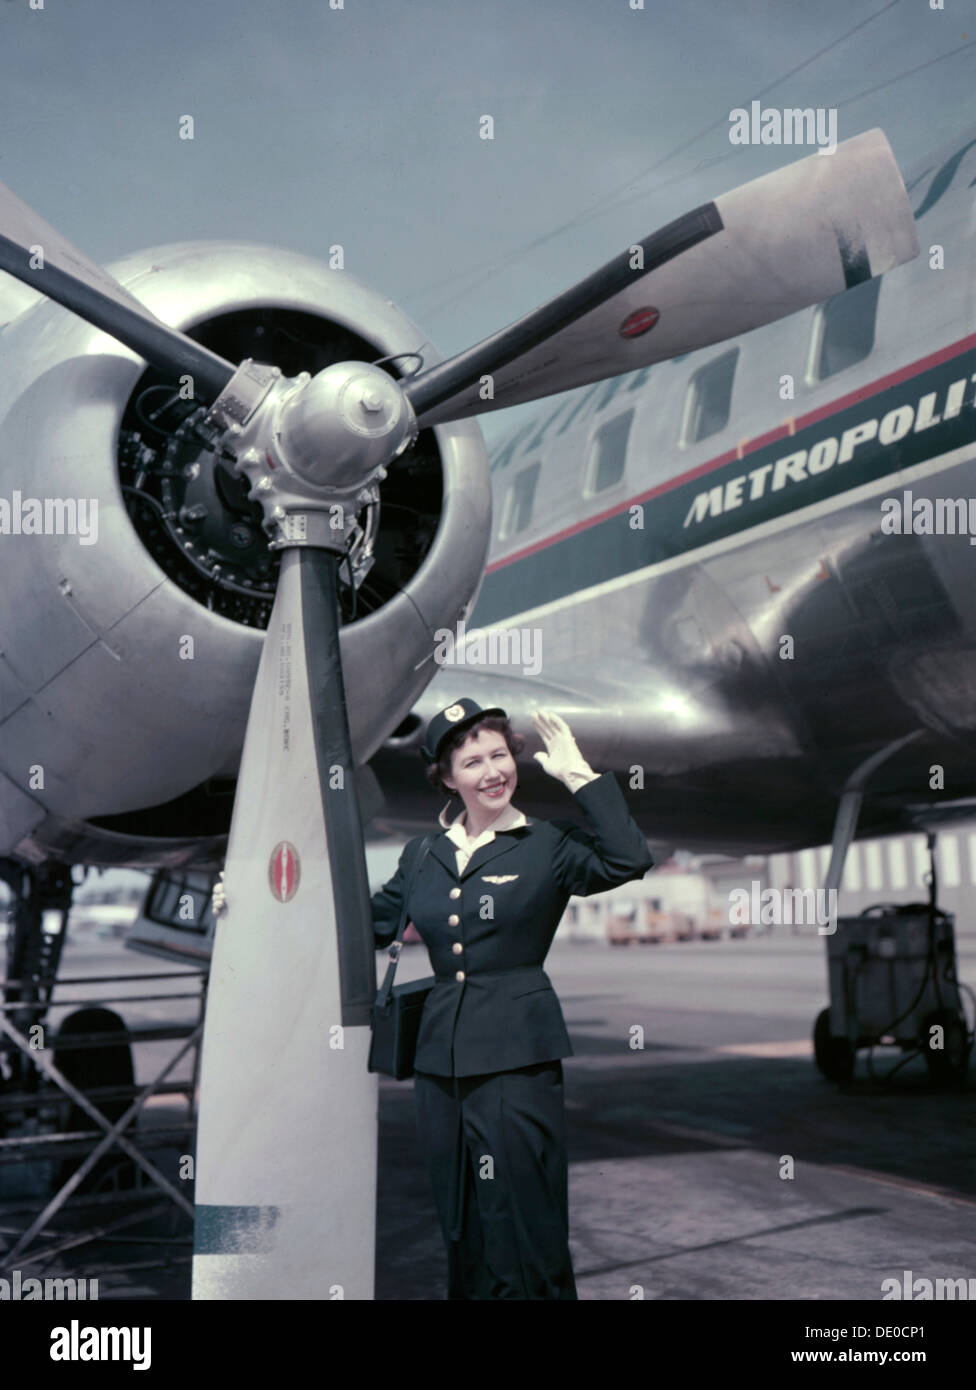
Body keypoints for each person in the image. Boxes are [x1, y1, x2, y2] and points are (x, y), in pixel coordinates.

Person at [371, 699, 654, 1299]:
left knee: (524, 1219)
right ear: (449, 778)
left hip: (515, 1057)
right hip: (438, 1065)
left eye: (500, 755)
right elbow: (361, 924)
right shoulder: (423, 855)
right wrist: (254, 904)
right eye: (473, 762)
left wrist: (581, 777)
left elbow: (628, 860)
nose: (492, 771)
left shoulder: (546, 844)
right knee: (461, 1219)